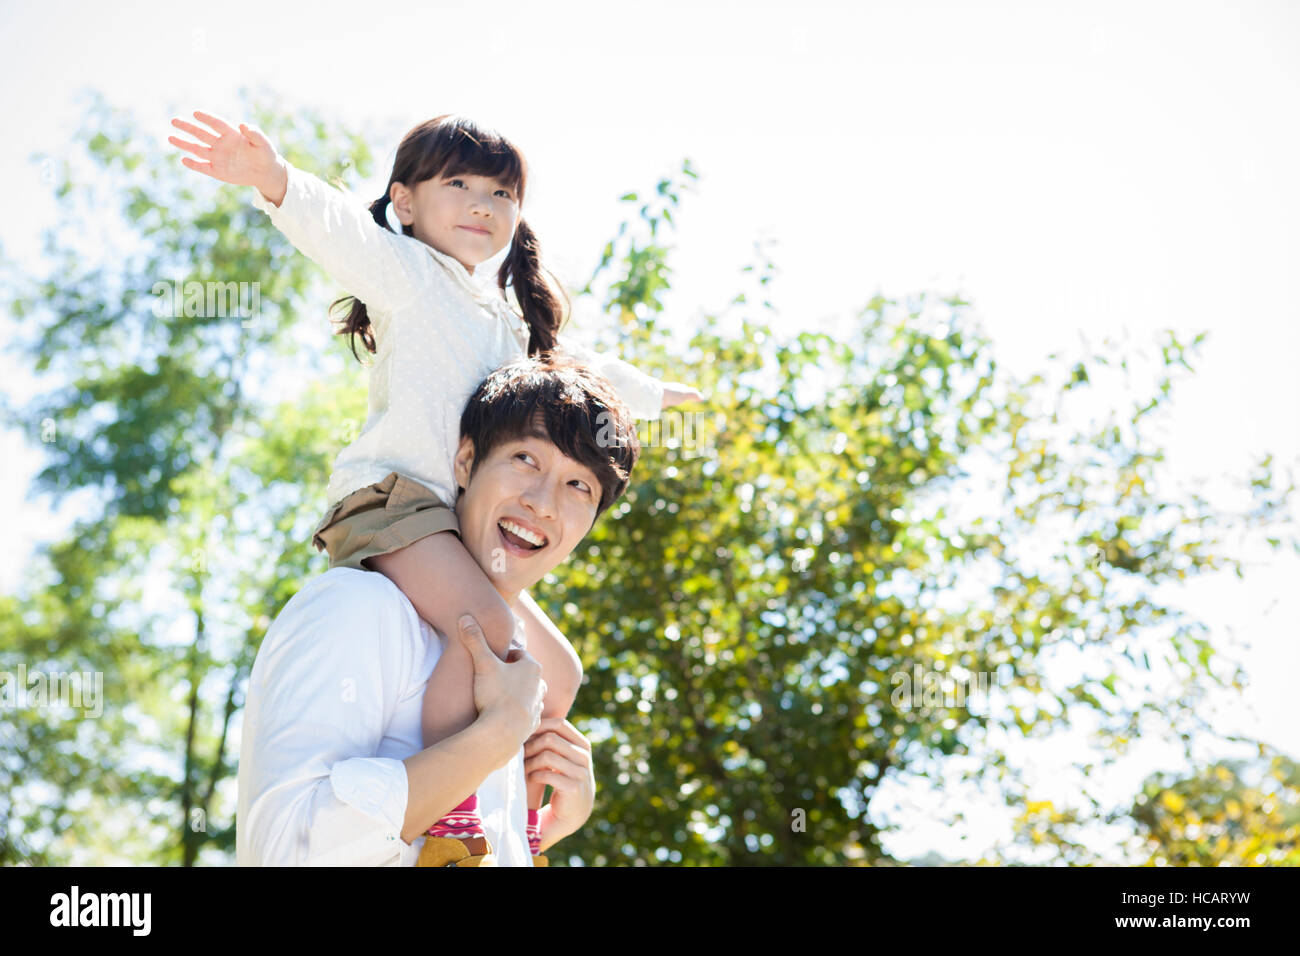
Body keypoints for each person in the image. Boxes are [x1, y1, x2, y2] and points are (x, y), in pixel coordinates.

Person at [169, 110, 701, 855]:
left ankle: (515, 825)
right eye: (460, 185)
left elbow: (583, 370)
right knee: (486, 625)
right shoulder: (409, 277)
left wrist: (653, 396)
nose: (483, 205)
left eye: (501, 194)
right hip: (393, 505)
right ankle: (449, 818)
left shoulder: (506, 322)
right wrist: (274, 179)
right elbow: (342, 234)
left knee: (561, 672)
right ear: (408, 203)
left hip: (444, 523)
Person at [236, 353, 640, 865]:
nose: (543, 501)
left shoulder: (523, 673)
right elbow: (286, 852)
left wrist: (536, 832)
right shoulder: (360, 610)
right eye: (525, 460)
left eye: (578, 485)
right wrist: (493, 737)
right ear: (466, 463)